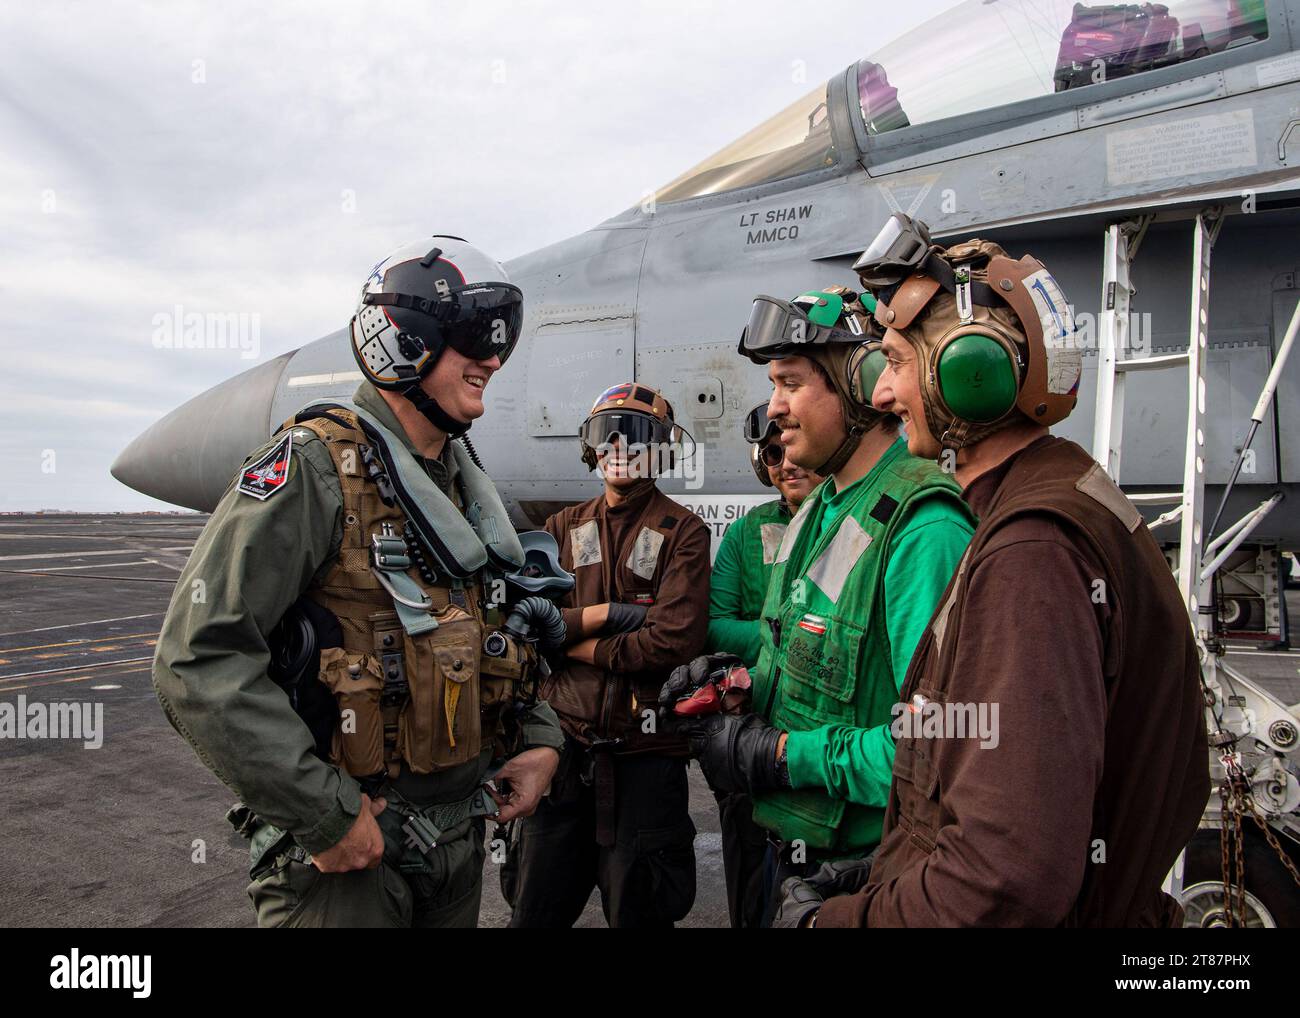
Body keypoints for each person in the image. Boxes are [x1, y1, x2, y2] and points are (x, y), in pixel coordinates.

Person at [789, 214, 1209, 927]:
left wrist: (833, 924)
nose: (883, 398)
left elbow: (1005, 881)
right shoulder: (1068, 492)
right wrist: (896, 867)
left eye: (893, 365)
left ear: (967, 373)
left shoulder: (1031, 553)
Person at [153, 237, 564, 928]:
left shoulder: (459, 482)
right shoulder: (313, 470)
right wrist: (324, 814)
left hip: (455, 847)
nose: (493, 359)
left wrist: (538, 736)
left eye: (501, 340)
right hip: (350, 867)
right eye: (472, 339)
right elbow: (197, 659)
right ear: (406, 343)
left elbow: (491, 624)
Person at [662, 286, 975, 925]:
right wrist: (742, 689)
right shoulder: (818, 513)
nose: (773, 408)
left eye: (790, 383)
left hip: (868, 875)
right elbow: (807, 660)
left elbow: (942, 746)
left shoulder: (923, 529)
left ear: (860, 389)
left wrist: (779, 756)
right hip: (797, 860)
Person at [506, 383, 712, 927]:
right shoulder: (559, 530)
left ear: (662, 449)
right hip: (564, 754)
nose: (619, 445)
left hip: (645, 758)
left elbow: (674, 642)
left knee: (640, 913)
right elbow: (528, 629)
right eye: (606, 433)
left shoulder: (683, 532)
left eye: (638, 434)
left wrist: (571, 639)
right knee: (533, 913)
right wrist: (604, 617)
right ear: (591, 447)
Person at [705, 403, 821, 927]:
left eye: (792, 450)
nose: (786, 465)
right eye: (773, 455)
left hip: (817, 748)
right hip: (753, 743)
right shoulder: (747, 533)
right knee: (751, 889)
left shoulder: (849, 523)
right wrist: (798, 640)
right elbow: (714, 625)